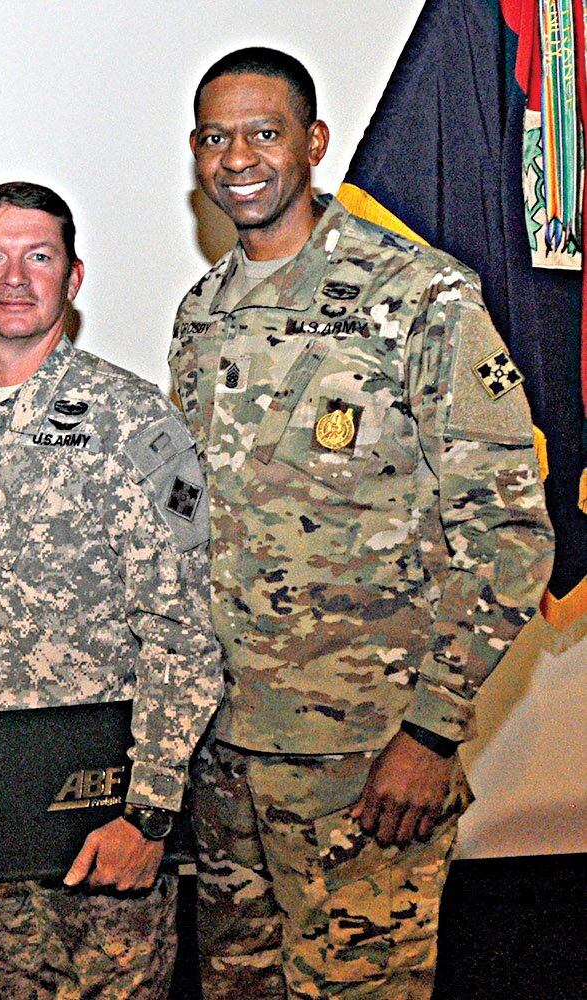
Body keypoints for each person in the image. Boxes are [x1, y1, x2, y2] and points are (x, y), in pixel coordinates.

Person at [171, 47, 555, 999]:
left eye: (264, 133)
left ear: (314, 143)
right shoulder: (202, 315)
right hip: (226, 753)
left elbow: (508, 533)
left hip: (367, 760)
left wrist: (431, 733)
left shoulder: (419, 295)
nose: (237, 158)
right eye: (215, 138)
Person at [0, 181, 222, 999]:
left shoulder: (135, 422)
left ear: (73, 278)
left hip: (98, 813)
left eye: (38, 257)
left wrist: (149, 811)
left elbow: (184, 629)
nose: (14, 279)